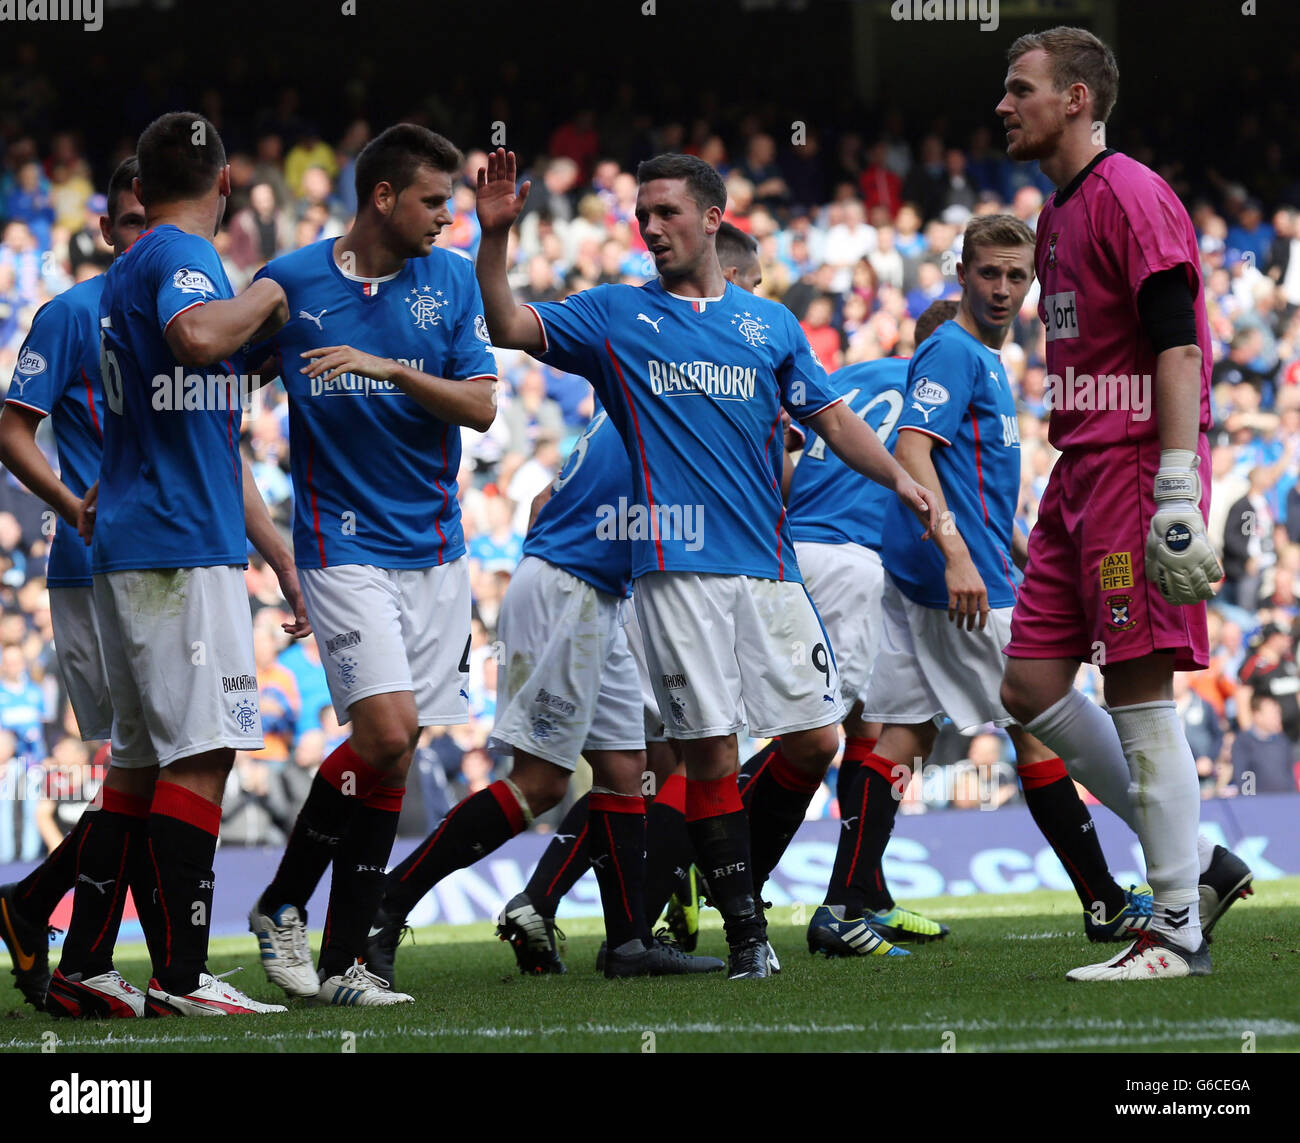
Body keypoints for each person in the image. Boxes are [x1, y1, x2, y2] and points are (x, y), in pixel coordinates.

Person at [475, 148, 938, 979]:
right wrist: (495, 239)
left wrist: (901, 477)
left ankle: (719, 890)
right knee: (712, 753)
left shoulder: (770, 325)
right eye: (643, 213)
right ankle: (747, 937)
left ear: (714, 218)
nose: (651, 226)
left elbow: (831, 420)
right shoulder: (615, 313)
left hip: (770, 564)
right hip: (674, 567)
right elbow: (509, 325)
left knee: (815, 738)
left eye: (668, 212)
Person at [994, 27, 1252, 981]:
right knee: (1026, 687)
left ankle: (1175, 924)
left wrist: (1178, 478)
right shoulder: (1058, 213)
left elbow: (1178, 344)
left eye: (1020, 89)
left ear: (1076, 100)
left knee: (1138, 685)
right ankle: (1199, 866)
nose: (1004, 104)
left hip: (1138, 465)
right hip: (1079, 472)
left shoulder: (1132, 194)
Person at [852, 217, 1155, 956]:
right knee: (1038, 717)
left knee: (901, 731)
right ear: (962, 272)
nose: (1001, 288)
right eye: (988, 272)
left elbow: (970, 478)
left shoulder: (987, 355)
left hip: (941, 572)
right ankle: (1121, 889)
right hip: (961, 581)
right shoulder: (954, 349)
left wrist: (1016, 550)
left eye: (1016, 277)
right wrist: (957, 553)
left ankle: (846, 899)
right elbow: (912, 451)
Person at [247, 124, 497, 1006]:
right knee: (386, 735)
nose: (445, 217)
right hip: (338, 540)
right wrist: (260, 539)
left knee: (395, 753)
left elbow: (480, 408)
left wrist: (386, 369)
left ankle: (348, 958)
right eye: (433, 200)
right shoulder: (291, 284)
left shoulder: (456, 277)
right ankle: (280, 901)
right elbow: (213, 392)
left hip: (436, 546)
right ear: (383, 197)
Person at [84, 111, 307, 1016]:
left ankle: (86, 961)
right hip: (176, 547)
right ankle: (181, 976)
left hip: (148, 538)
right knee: (202, 752)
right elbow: (199, 341)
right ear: (224, 185)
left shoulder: (127, 267)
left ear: (142, 184)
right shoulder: (183, 257)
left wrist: (280, 555)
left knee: (137, 766)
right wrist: (271, 293)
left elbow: (203, 411)